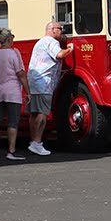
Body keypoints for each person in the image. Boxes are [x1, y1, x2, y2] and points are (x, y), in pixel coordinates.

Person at [26, 21, 73, 156]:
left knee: (34, 113)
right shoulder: (52, 42)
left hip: (33, 82)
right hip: (44, 83)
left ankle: (33, 141)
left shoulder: (40, 42)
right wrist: (70, 49)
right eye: (60, 29)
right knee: (42, 113)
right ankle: (37, 143)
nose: (61, 31)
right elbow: (60, 55)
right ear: (52, 29)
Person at [0, 28, 26, 160]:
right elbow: (20, 74)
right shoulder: (13, 54)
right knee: (13, 121)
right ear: (9, 39)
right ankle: (11, 151)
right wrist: (28, 91)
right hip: (12, 92)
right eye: (12, 37)